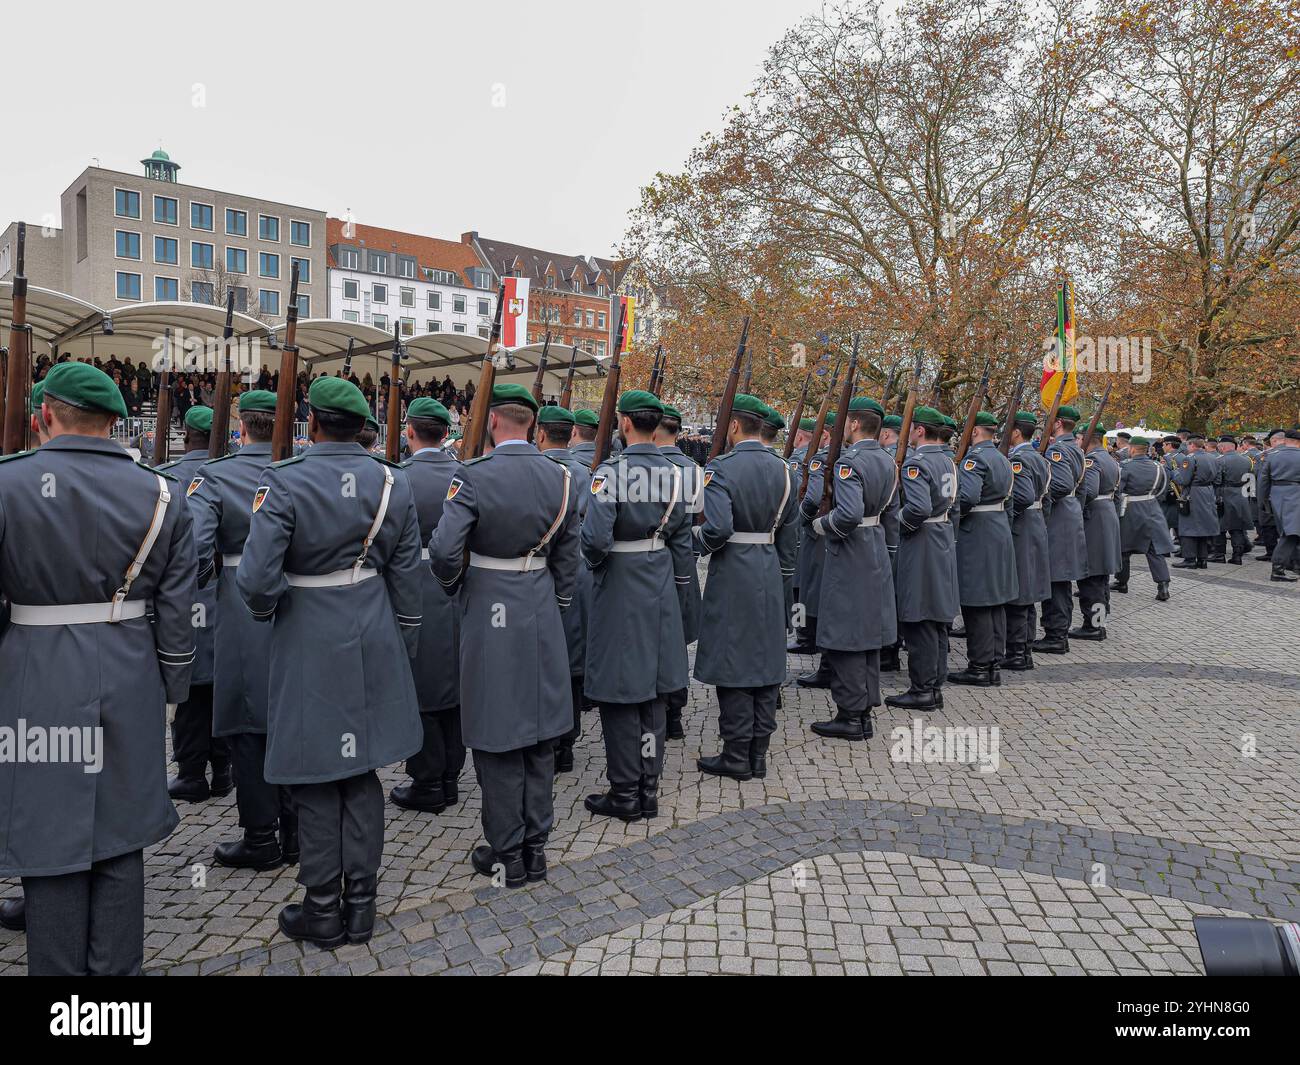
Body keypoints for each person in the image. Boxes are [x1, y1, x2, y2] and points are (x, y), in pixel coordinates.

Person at [0, 362, 197, 975]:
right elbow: (178, 606)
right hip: (129, 668)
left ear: (44, 417)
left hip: (35, 674)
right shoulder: (161, 492)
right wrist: (174, 684)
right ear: (116, 422)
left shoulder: (8, 484)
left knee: (49, 836)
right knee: (120, 833)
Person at [238, 377, 424, 948]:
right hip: (371, 630)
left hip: (308, 635)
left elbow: (255, 581)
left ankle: (322, 907)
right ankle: (362, 904)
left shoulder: (285, 482)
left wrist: (277, 609)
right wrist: (403, 641)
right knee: (361, 770)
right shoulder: (392, 481)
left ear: (312, 423)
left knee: (317, 776)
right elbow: (407, 575)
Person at [429, 383, 581, 888]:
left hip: (488, 603)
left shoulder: (471, 477)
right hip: (538, 603)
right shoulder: (560, 478)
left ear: (493, 422)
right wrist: (552, 603)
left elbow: (445, 552)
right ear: (533, 425)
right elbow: (568, 560)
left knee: (497, 734)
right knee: (539, 732)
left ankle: (507, 852)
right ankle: (535, 850)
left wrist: (458, 590)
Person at [190, 390, 299, 870]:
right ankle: (297, 832)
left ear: (242, 427)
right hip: (299, 605)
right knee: (290, 719)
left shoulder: (215, 476)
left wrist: (207, 577)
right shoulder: (302, 470)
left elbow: (195, 549)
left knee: (247, 726)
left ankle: (261, 837)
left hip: (238, 605)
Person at [582, 390, 692, 821]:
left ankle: (625, 792)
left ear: (625, 423)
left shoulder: (612, 472)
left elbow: (593, 539)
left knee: (621, 689)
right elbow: (682, 536)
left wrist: (597, 566)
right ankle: (648, 786)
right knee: (653, 689)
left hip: (622, 581)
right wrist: (679, 584)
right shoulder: (676, 473)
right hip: (659, 577)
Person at [694, 394, 799, 780]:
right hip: (769, 568)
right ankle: (758, 753)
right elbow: (791, 536)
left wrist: (694, 541)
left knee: (734, 660)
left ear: (734, 426)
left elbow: (717, 529)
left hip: (735, 571)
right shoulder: (786, 469)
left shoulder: (722, 467)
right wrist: (784, 578)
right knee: (766, 660)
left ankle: (736, 754)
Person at [389, 398, 466, 812]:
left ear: (410, 431)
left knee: (423, 687)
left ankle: (429, 781)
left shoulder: (399, 478)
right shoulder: (464, 473)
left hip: (415, 585)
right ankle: (451, 773)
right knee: (454, 681)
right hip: (459, 587)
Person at [807, 397, 896, 740]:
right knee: (867, 633)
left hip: (852, 548)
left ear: (855, 424)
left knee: (846, 632)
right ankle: (862, 711)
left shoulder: (850, 463)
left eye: (846, 422)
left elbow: (848, 514)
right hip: (874, 545)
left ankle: (849, 714)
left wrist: (820, 526)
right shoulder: (887, 461)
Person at [158, 404, 232, 802]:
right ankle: (222, 768)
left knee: (187, 688)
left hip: (183, 599)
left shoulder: (167, 477)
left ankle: (191, 772)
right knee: (222, 685)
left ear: (186, 435)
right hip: (227, 599)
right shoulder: (231, 474)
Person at [886, 406, 959, 710]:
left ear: (918, 431)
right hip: (941, 534)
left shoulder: (918, 463)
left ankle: (923, 689)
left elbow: (917, 507)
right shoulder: (948, 461)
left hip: (922, 540)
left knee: (920, 616)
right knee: (937, 615)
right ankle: (934, 683)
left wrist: (895, 525)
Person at [537, 404, 593, 770]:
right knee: (571, 661)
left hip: (540, 575)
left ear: (540, 433)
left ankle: (544, 737)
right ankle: (565, 745)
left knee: (542, 658)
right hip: (578, 571)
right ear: (569, 433)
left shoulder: (539, 472)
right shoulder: (586, 474)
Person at [948, 411, 1017, 685]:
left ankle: (978, 666)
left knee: (977, 602)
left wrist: (953, 518)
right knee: (996, 602)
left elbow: (967, 497)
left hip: (978, 532)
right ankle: (993, 664)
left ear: (975, 431)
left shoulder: (975, 459)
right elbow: (1009, 502)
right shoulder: (1002, 458)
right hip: (998, 529)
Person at [655, 403, 703, 741]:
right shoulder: (693, 469)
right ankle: (674, 713)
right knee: (677, 641)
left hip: (647, 563)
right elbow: (699, 517)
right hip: (682, 562)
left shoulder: (639, 469)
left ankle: (653, 708)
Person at [1033, 404, 1088, 654]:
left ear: (1057, 424)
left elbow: (1062, 484)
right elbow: (1082, 488)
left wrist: (1040, 499)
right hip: (1070, 512)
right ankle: (1058, 632)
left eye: (1048, 420)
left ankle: (1055, 634)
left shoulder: (1057, 449)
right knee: (1061, 578)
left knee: (1056, 578)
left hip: (1058, 516)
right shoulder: (1075, 448)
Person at [1002, 413, 1051, 671]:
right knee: (1029, 592)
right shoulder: (1038, 458)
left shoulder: (1019, 459)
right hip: (1035, 523)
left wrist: (1007, 519)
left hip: (1022, 526)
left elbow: (1021, 496)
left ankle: (1017, 653)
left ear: (1017, 433)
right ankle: (1025, 650)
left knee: (1019, 593)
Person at [794, 411, 834, 688]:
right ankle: (808, 638)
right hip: (832, 531)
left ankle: (806, 638)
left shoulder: (818, 459)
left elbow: (811, 496)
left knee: (807, 587)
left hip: (816, 531)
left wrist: (801, 519)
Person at [1072, 422, 1123, 640]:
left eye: (1078, 438)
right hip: (1107, 514)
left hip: (1094, 518)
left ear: (1084, 438)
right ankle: (1099, 623)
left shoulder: (1091, 460)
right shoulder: (1110, 459)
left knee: (1091, 577)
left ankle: (1093, 626)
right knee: (1101, 577)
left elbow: (1089, 491)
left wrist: (1075, 509)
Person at [1114, 435, 1173, 601]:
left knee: (1124, 548)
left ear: (1132, 449)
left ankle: (1121, 581)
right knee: (1154, 549)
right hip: (1152, 507)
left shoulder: (1125, 466)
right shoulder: (1157, 466)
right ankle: (1163, 585)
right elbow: (1163, 489)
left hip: (1130, 509)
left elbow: (1118, 490)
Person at [1172, 435, 1219, 570]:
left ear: (1192, 445)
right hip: (1208, 492)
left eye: (1188, 445)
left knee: (1188, 526)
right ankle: (1202, 559)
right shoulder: (1213, 457)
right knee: (1203, 527)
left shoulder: (1190, 458)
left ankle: (1190, 558)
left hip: (1194, 493)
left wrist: (1174, 473)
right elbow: (1217, 478)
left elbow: (1184, 480)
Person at [1259, 428, 1300, 582]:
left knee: (1290, 530)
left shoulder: (1271, 455)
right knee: (1291, 533)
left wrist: (1263, 502)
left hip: (1276, 494)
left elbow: (1263, 481)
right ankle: (1278, 569)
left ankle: (1295, 565)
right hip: (1295, 494)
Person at [1214, 436, 1254, 565]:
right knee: (1237, 526)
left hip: (1224, 494)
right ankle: (1237, 556)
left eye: (1220, 447)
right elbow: (1251, 478)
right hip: (1241, 494)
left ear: (1223, 447)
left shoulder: (1219, 460)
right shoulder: (1247, 460)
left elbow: (1217, 480)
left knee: (1220, 525)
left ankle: (1219, 554)